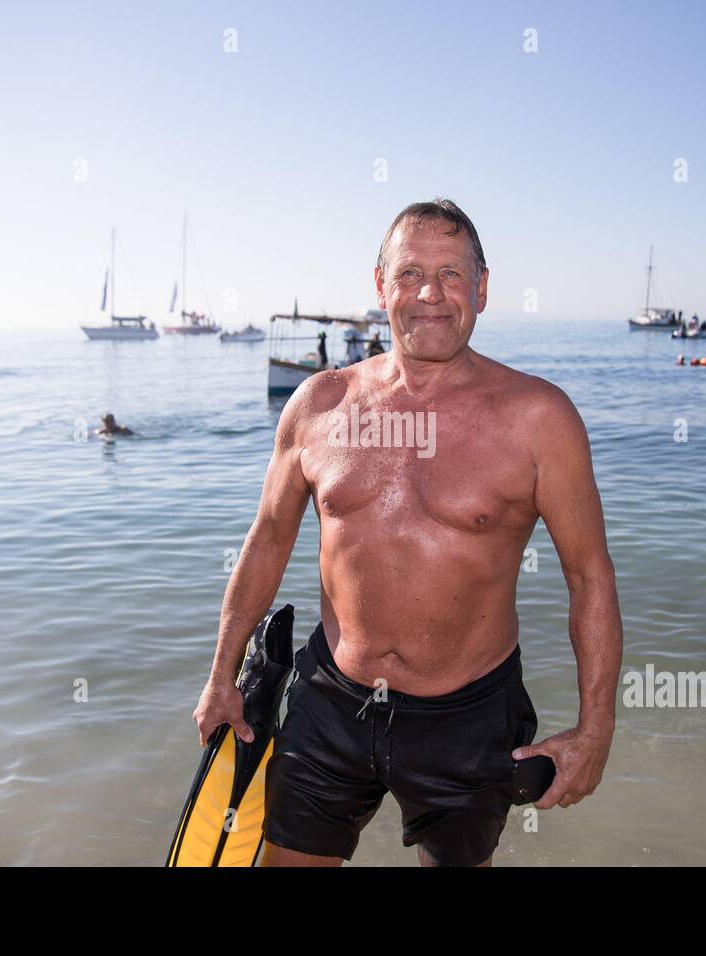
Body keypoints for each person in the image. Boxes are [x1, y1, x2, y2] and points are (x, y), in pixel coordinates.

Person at [192, 198, 622, 868]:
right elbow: (268, 541)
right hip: (330, 699)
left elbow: (589, 574)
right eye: (412, 273)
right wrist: (222, 674)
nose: (430, 293)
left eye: (452, 275)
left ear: (482, 287)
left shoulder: (539, 419)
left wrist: (596, 729)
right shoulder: (318, 406)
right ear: (380, 285)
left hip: (469, 716)